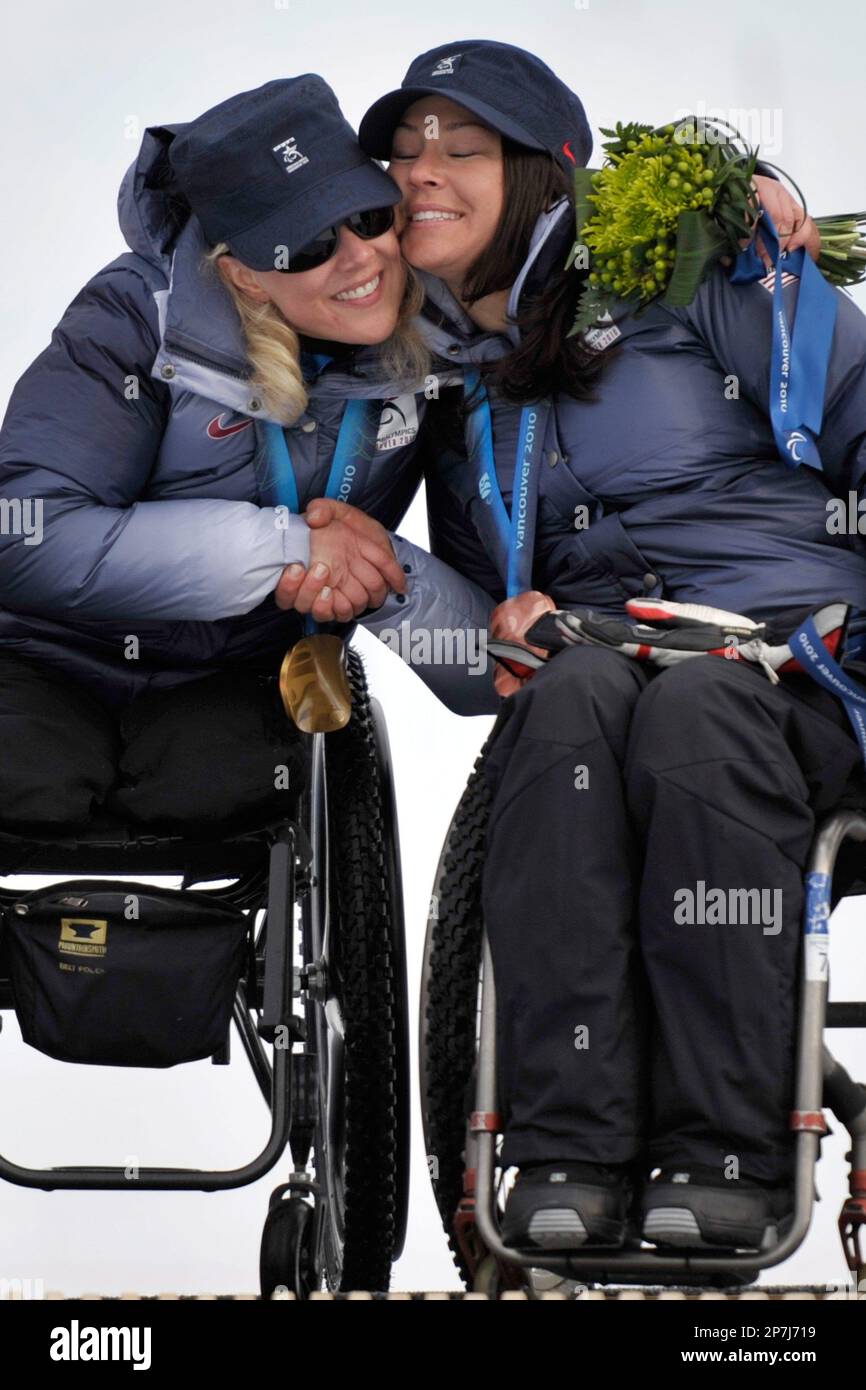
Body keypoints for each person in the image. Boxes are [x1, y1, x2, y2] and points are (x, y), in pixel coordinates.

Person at [346, 39, 866, 1253]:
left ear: (540, 175)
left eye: (461, 148)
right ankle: (565, 1151)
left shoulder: (688, 275)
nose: (422, 170)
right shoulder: (431, 381)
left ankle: (722, 1152)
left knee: (696, 714)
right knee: (565, 703)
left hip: (802, 670)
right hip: (604, 672)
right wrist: (431, 597)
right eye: (406, 146)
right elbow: (478, 644)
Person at [0, 74, 496, 833]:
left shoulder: (445, 352)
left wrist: (375, 574)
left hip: (237, 674)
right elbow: (25, 538)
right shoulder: (135, 316)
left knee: (218, 792)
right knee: (30, 781)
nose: (361, 259)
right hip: (44, 650)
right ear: (242, 277)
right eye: (307, 245)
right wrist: (290, 547)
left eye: (368, 215)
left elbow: (485, 668)